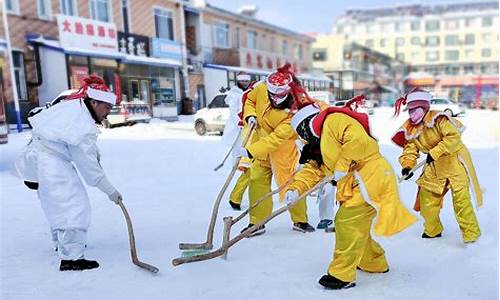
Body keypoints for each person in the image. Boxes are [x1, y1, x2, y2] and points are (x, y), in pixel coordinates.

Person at [285, 98, 417, 289]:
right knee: (356, 226)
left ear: (307, 124)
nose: (303, 138)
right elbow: (312, 170)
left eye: (302, 132)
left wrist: (340, 168)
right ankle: (374, 262)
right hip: (354, 185)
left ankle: (342, 275)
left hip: (371, 177)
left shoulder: (334, 120)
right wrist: (295, 189)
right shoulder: (317, 146)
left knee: (347, 222)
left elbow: (358, 141)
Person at [15, 75, 123, 271]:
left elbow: (83, 150)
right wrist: (111, 191)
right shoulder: (81, 123)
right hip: (51, 164)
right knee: (73, 206)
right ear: (94, 101)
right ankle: (72, 258)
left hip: (38, 160)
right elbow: (91, 171)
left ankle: (63, 245)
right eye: (106, 108)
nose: (108, 113)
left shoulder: (74, 109)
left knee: (57, 206)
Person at [392, 88, 482, 243]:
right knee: (427, 201)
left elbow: (453, 138)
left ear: (424, 108)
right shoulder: (410, 128)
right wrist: (407, 165)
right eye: (409, 110)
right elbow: (410, 149)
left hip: (455, 163)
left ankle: (471, 235)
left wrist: (434, 152)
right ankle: (433, 230)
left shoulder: (439, 119)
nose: (411, 114)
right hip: (433, 167)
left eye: (414, 110)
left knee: (462, 202)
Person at [235, 63, 315, 235]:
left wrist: (251, 151)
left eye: (279, 95)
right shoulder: (262, 88)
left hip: (283, 151)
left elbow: (278, 138)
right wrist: (250, 115)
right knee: (256, 183)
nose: (274, 99)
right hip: (261, 145)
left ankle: (300, 220)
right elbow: (250, 100)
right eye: (271, 95)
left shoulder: (296, 109)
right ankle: (256, 222)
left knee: (291, 186)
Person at [222, 72, 253, 210]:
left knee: (255, 170)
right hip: (243, 133)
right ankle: (236, 197)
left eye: (247, 80)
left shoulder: (252, 92)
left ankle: (237, 197)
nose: (245, 83)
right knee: (252, 168)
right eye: (243, 81)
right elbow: (235, 113)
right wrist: (243, 123)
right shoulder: (235, 95)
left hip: (253, 131)